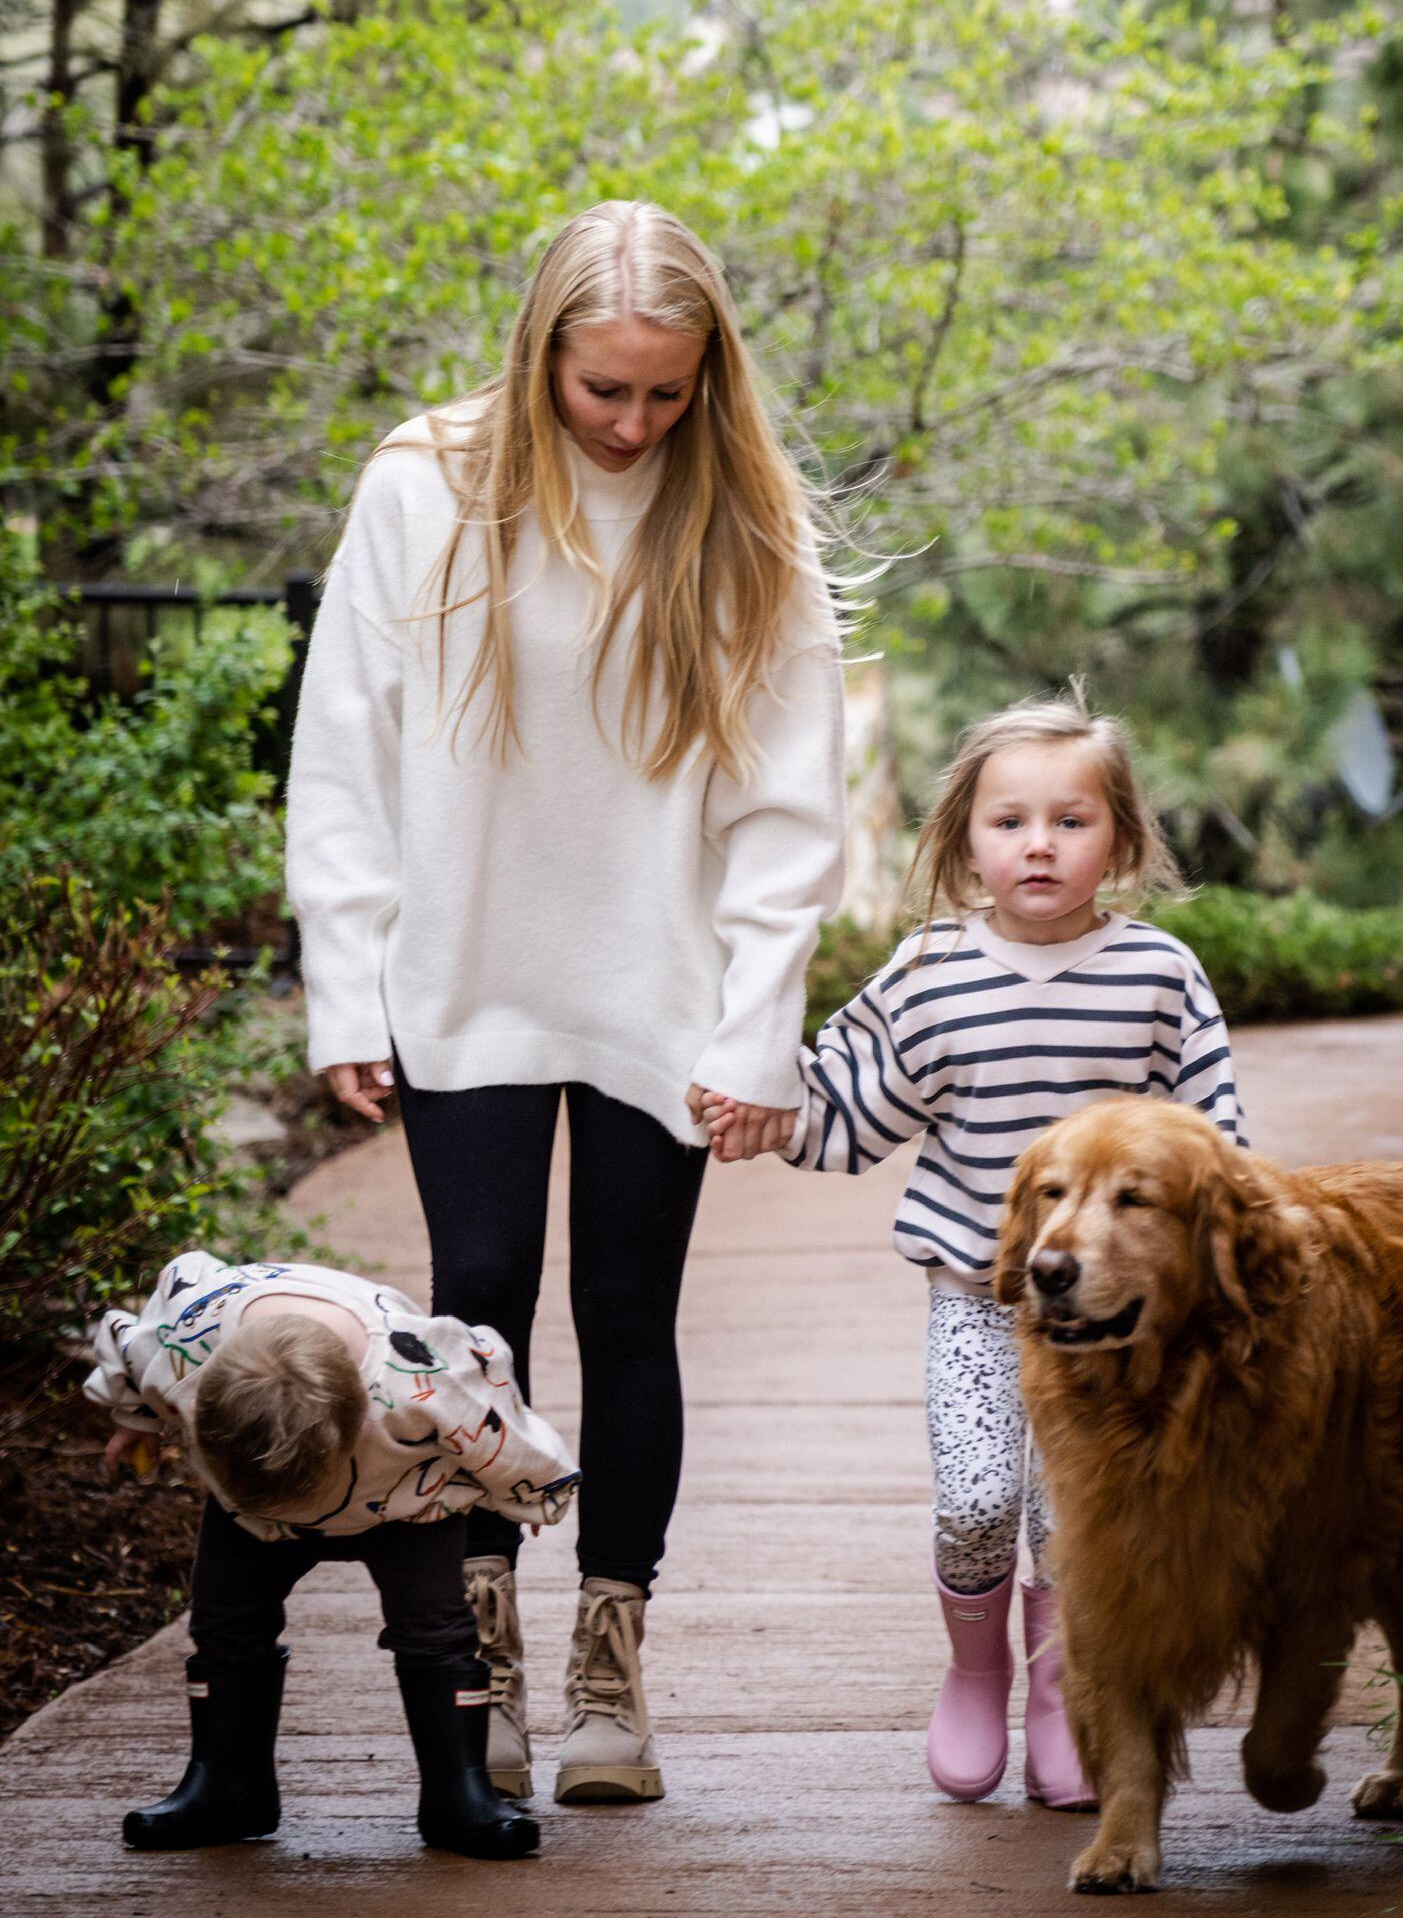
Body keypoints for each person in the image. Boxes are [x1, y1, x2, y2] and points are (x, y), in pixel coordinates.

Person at [286, 200, 846, 1804]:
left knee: (627, 1311)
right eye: (604, 387)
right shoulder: (424, 484)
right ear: (542, 351)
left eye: (668, 392)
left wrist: (755, 1031)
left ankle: (612, 1665)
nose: (632, 423)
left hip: (657, 986)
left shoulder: (744, 517)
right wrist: (347, 986)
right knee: (474, 1306)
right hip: (463, 969)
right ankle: (484, 1663)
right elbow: (347, 746)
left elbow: (788, 808)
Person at [701, 691, 1246, 1810]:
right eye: (1009, 821)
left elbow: (1215, 1144)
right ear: (963, 841)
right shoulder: (931, 971)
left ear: (1121, 840)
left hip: (1111, 1319)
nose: (1039, 844)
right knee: (977, 1501)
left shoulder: (1158, 974)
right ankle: (975, 1668)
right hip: (976, 1299)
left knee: (1069, 1516)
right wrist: (762, 1103)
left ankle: (1060, 1690)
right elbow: (850, 1106)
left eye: (1071, 820)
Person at [85, 1247, 579, 1859]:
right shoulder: (189, 1338)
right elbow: (138, 1336)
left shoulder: (416, 1375)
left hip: (403, 1498)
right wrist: (135, 1417)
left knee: (435, 1627)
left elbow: (492, 1408)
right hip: (252, 1503)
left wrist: (532, 1488)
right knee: (225, 1616)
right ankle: (228, 1786)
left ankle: (459, 1794)